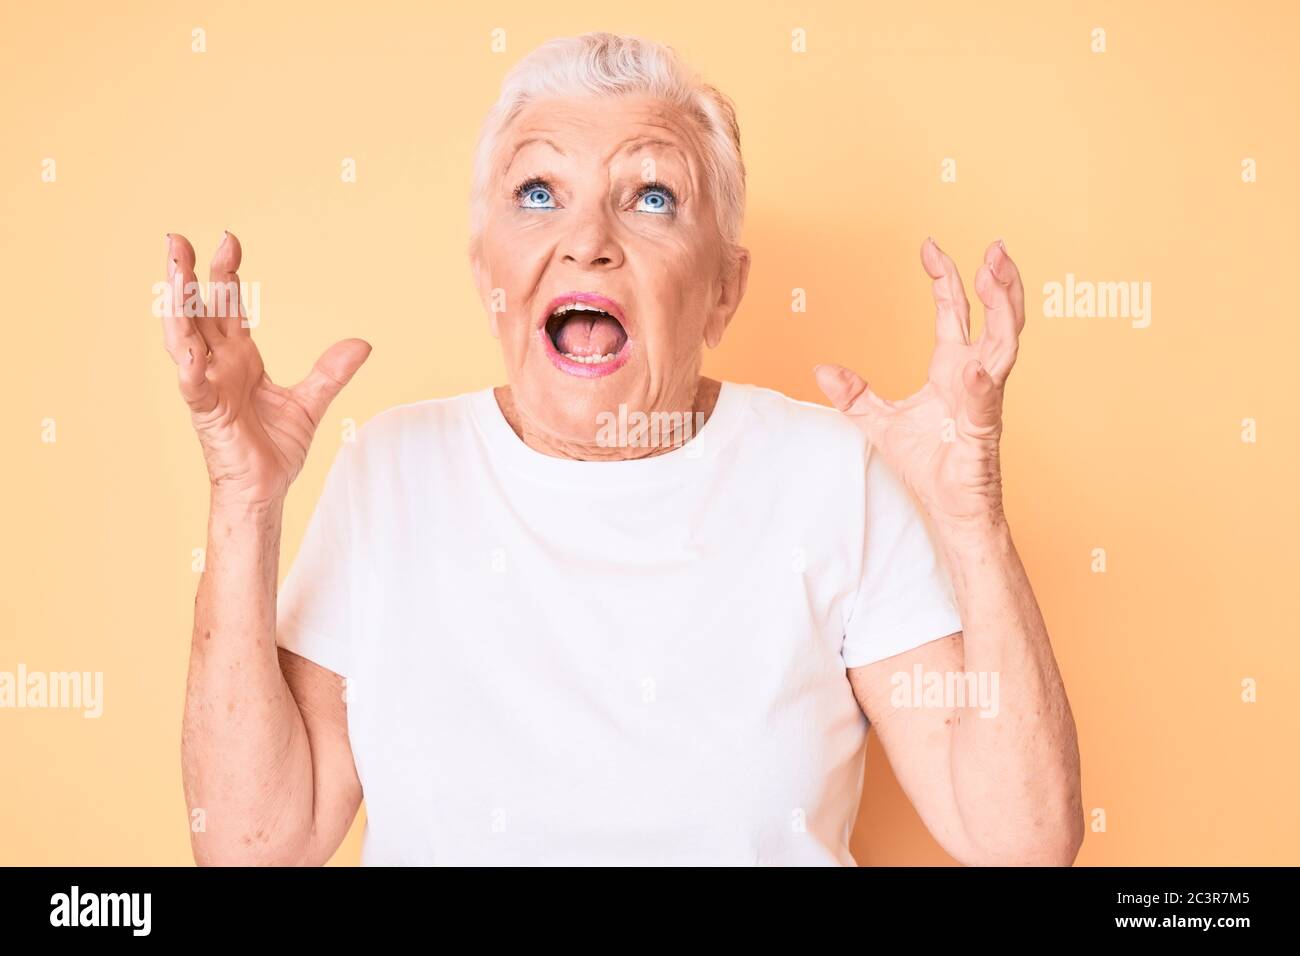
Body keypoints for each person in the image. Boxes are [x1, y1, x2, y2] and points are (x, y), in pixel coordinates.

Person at [164, 32, 1082, 866]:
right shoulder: (392, 471)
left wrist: (973, 520)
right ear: (487, 270)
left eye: (650, 196)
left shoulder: (829, 474)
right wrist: (244, 502)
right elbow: (254, 849)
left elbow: (1022, 842)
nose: (587, 243)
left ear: (724, 289)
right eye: (538, 194)